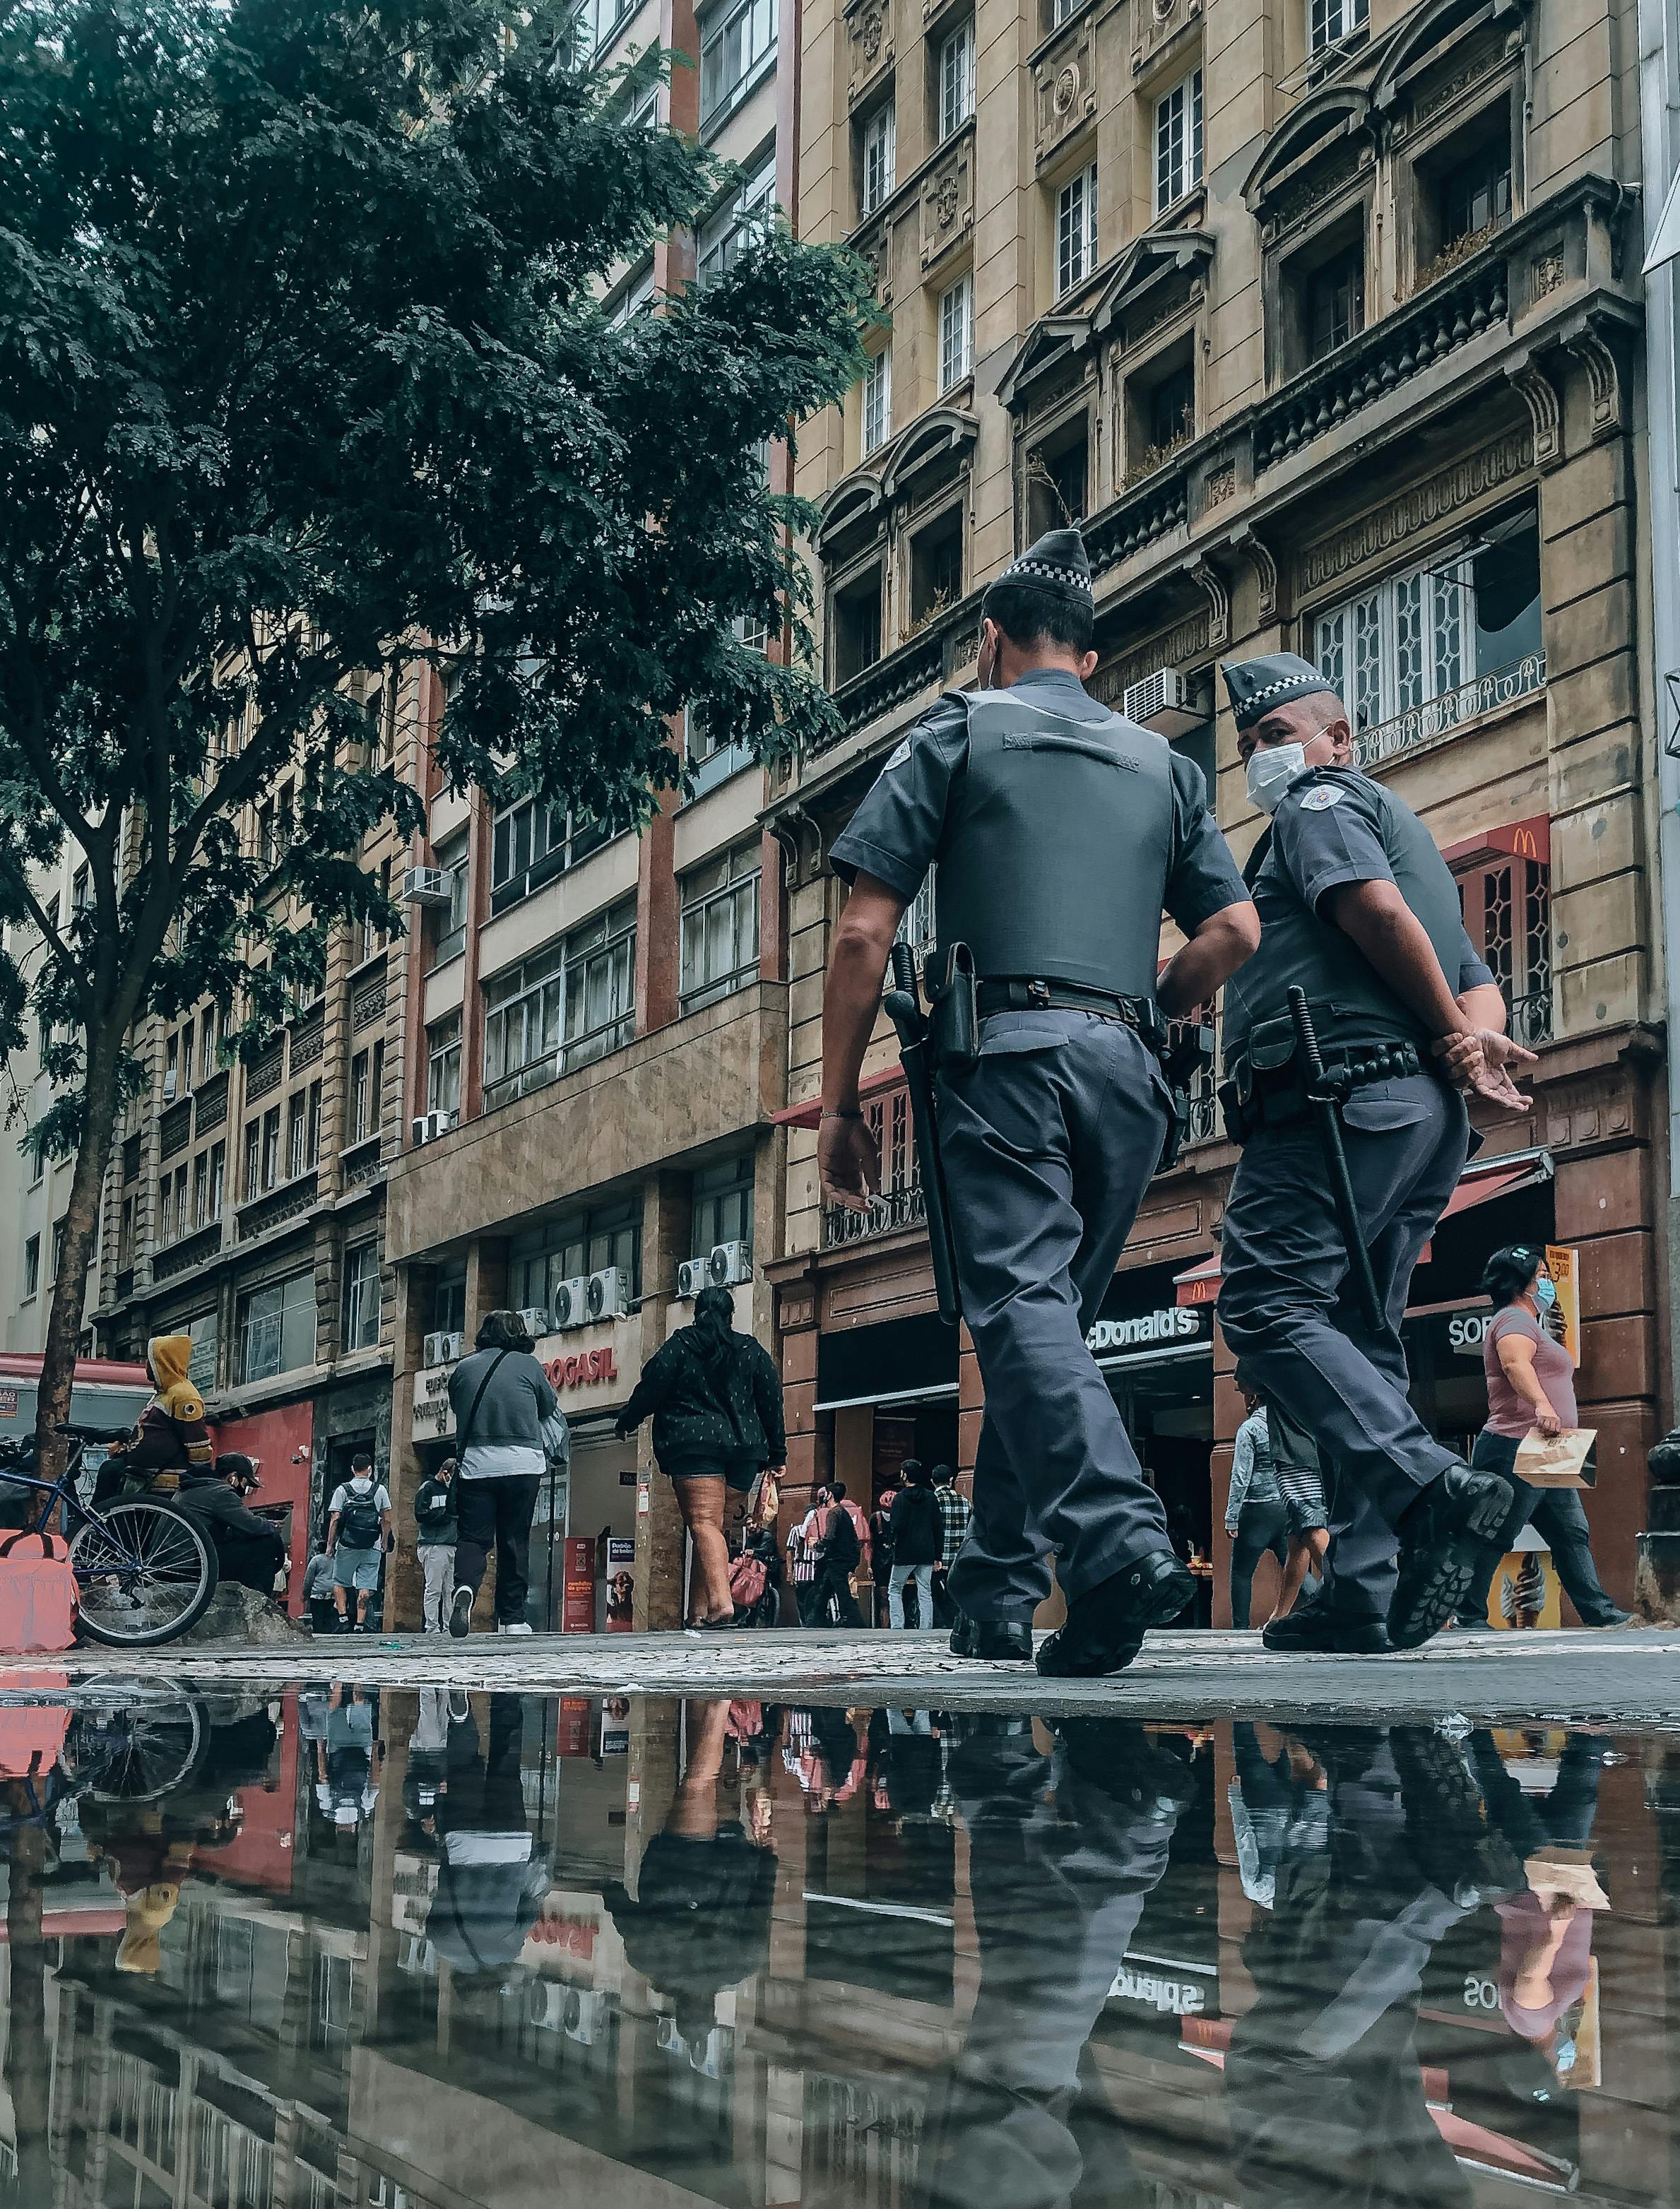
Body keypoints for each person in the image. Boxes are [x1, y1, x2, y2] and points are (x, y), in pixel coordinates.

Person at [818, 527, 1258, 1676]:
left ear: (988, 641)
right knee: (1040, 1319)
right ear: (1093, 659)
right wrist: (1155, 1005)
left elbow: (864, 928)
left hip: (1003, 1059)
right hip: (1126, 1079)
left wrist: (834, 1103)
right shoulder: (1165, 766)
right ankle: (997, 1593)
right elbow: (1232, 929)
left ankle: (1115, 1544)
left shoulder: (957, 730)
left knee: (1017, 1304)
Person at [1214, 652, 1536, 1655]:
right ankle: (1360, 1588)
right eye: (1248, 747)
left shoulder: (1317, 803)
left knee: (1264, 1305)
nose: (1262, 759)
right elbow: (1476, 978)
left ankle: (1428, 1488)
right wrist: (1466, 1039)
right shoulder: (1414, 836)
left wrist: (1449, 1034)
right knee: (1360, 1335)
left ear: (1337, 737)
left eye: (1275, 735)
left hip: (1337, 1098)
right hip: (1416, 1115)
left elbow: (1374, 914)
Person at [1454, 1245, 1630, 1630]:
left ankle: (1599, 1613)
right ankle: (1468, 1615)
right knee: (1498, 1531)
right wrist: (1542, 1405)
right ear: (1522, 1283)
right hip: (1516, 1443)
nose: (1549, 1281)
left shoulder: (1533, 1323)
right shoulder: (1512, 1321)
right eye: (1543, 1276)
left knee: (1571, 1532)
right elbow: (1515, 1363)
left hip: (1548, 1448)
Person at [603, 1698, 777, 2066]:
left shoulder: (743, 1964)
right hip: (682, 1865)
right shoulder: (649, 1960)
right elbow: (622, 1910)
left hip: (733, 1868)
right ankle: (719, 1704)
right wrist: (612, 1892)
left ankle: (713, 1700)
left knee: (723, 1779)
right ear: (679, 2008)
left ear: (712, 2008)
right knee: (699, 1783)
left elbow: (761, 1905)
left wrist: (767, 1858)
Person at [614, 1284, 786, 1630]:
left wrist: (628, 1420)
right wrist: (777, 1452)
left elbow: (652, 1386)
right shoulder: (750, 1350)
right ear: (730, 1316)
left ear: (697, 1314)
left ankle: (722, 1605)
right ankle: (698, 1612)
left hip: (695, 1446)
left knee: (704, 1524)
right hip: (744, 1451)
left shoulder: (682, 1346)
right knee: (713, 1530)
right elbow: (771, 1400)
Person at [446, 1310, 562, 1639]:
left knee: (473, 1537)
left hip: (476, 1466)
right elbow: (548, 1407)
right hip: (522, 1465)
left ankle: (465, 1587)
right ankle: (512, 1618)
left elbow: (459, 1407)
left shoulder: (464, 1369)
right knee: (514, 1539)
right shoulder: (528, 1366)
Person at [93, 1332, 215, 1503]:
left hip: (163, 1482)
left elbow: (198, 1446)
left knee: (110, 1472)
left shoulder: (184, 1396)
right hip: (145, 1476)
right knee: (110, 1471)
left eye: (150, 1360)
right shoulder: (164, 1395)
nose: (146, 1365)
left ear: (163, 1362)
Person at [177, 1452, 288, 1597]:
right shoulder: (221, 1492)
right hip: (193, 1565)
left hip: (183, 1561)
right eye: (246, 1483)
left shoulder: (194, 1489)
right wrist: (272, 1526)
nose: (246, 1490)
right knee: (267, 1541)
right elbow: (253, 1526)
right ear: (233, 1477)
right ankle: (260, 1600)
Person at [1225, 1394, 1289, 1630]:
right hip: (1285, 1507)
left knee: (1241, 1573)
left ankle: (1240, 1628)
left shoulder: (1250, 1428)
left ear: (1252, 1399)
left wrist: (1232, 1516)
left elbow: (1241, 1476)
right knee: (1294, 1567)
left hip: (1256, 1510)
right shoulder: (1286, 1426)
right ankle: (1320, 1607)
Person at [326, 1452, 393, 1633]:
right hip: (372, 1545)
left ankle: (343, 1618)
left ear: (352, 1469)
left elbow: (335, 1518)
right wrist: (384, 1541)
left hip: (347, 1545)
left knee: (339, 1581)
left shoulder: (343, 1490)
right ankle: (360, 1625)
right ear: (370, 1469)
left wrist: (330, 1545)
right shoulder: (380, 1490)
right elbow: (387, 1518)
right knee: (365, 1585)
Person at [885, 1459, 940, 1628]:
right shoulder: (931, 1497)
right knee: (925, 1591)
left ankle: (897, 1627)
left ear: (905, 1475)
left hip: (905, 1551)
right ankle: (926, 1628)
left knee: (895, 1589)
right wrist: (938, 1555)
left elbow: (895, 1526)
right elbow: (938, 1527)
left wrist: (891, 1543)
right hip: (926, 1551)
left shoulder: (900, 1499)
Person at [808, 1481, 865, 1627]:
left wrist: (816, 1546)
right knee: (825, 1590)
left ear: (830, 1495)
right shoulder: (844, 1513)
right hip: (842, 1559)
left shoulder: (834, 1513)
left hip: (837, 1559)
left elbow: (829, 1537)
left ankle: (856, 1622)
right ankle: (815, 1621)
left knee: (842, 1592)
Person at [413, 1456, 459, 1635]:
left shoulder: (454, 1491)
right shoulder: (428, 1489)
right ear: (444, 1473)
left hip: (451, 1543)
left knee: (450, 1589)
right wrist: (446, 1515)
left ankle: (448, 1626)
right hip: (434, 1544)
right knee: (434, 1588)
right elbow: (421, 1514)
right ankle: (432, 1626)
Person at [930, 1463, 971, 1627]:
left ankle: (946, 1623)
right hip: (959, 1556)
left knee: (934, 1593)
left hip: (937, 1558)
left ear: (933, 1481)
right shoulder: (965, 1502)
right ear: (951, 1480)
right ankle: (958, 1622)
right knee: (955, 1593)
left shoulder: (933, 1501)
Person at [786, 1496, 823, 1624]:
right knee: (803, 1599)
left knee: (817, 1598)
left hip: (817, 1569)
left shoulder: (821, 1531)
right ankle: (805, 1623)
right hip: (803, 1570)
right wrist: (790, 1572)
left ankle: (814, 1621)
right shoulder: (796, 1530)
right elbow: (790, 1551)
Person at [300, 1545, 338, 1635]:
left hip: (318, 1593)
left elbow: (309, 1578)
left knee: (318, 1618)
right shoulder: (337, 1560)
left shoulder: (316, 1560)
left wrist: (305, 1594)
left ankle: (319, 1634)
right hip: (334, 1593)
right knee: (330, 1618)